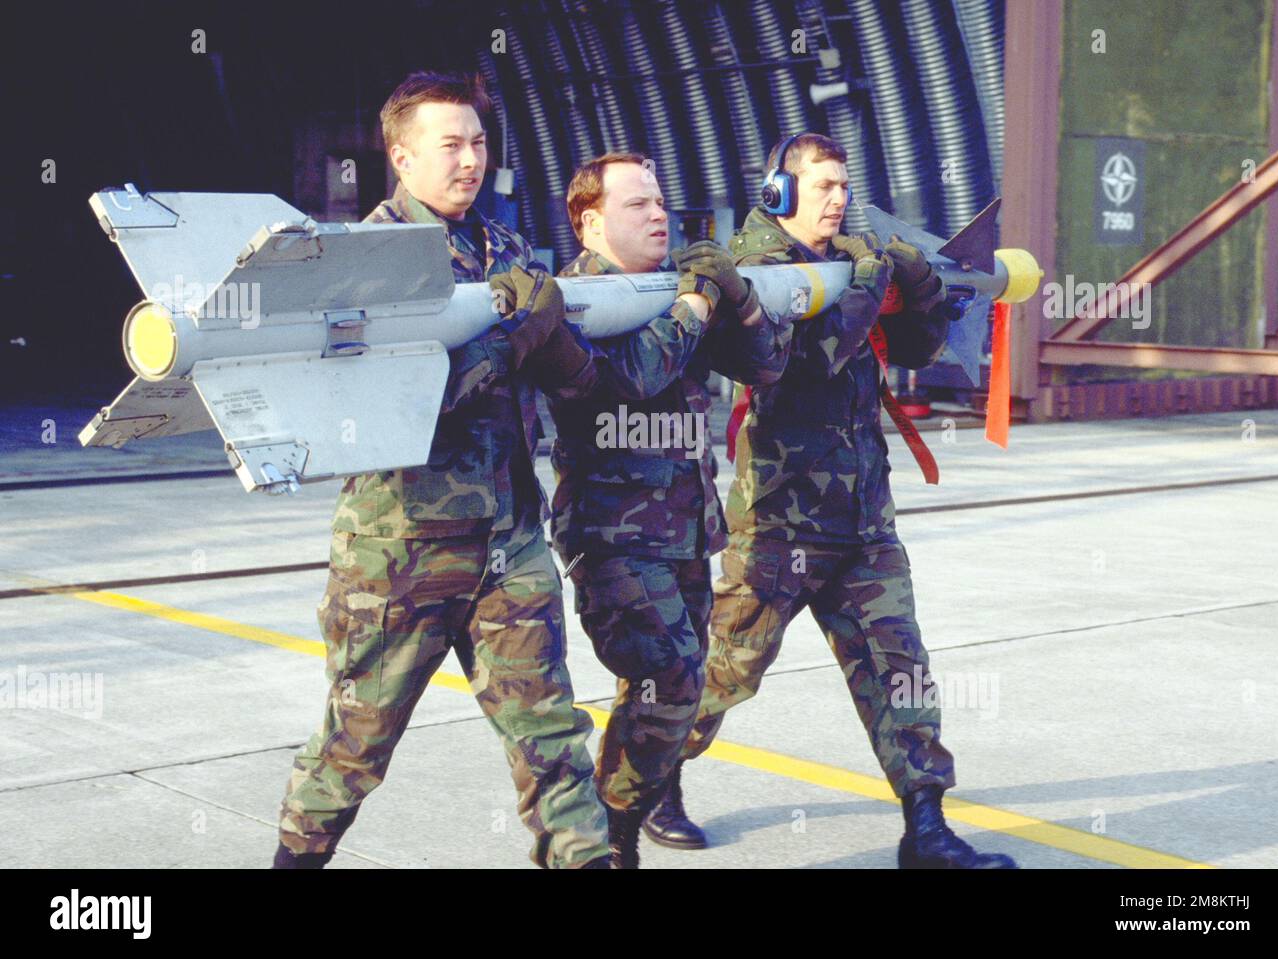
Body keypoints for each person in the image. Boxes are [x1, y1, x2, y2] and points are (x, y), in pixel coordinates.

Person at [273, 71, 611, 869]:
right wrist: (509, 339)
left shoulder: (506, 248)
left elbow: (576, 379)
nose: (470, 160)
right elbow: (399, 402)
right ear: (400, 154)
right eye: (450, 144)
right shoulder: (367, 260)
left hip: (509, 542)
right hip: (402, 554)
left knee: (551, 735)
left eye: (479, 142)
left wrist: (551, 332)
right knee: (356, 743)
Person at [655, 133, 1017, 869]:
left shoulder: (850, 256)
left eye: (844, 186)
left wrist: (920, 294)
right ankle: (650, 779)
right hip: (782, 516)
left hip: (862, 516)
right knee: (727, 668)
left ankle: (926, 822)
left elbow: (912, 351)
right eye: (821, 186)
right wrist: (865, 280)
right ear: (780, 194)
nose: (838, 199)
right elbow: (804, 359)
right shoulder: (752, 272)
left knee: (899, 664)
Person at [548, 153, 791, 867]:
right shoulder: (575, 300)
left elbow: (764, 364)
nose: (659, 215)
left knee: (667, 685)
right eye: (637, 205)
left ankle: (621, 825)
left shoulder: (670, 287)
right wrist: (696, 303)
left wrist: (737, 296)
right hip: (612, 536)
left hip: (685, 529)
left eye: (660, 201)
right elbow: (627, 381)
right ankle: (610, 821)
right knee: (675, 679)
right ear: (591, 223)